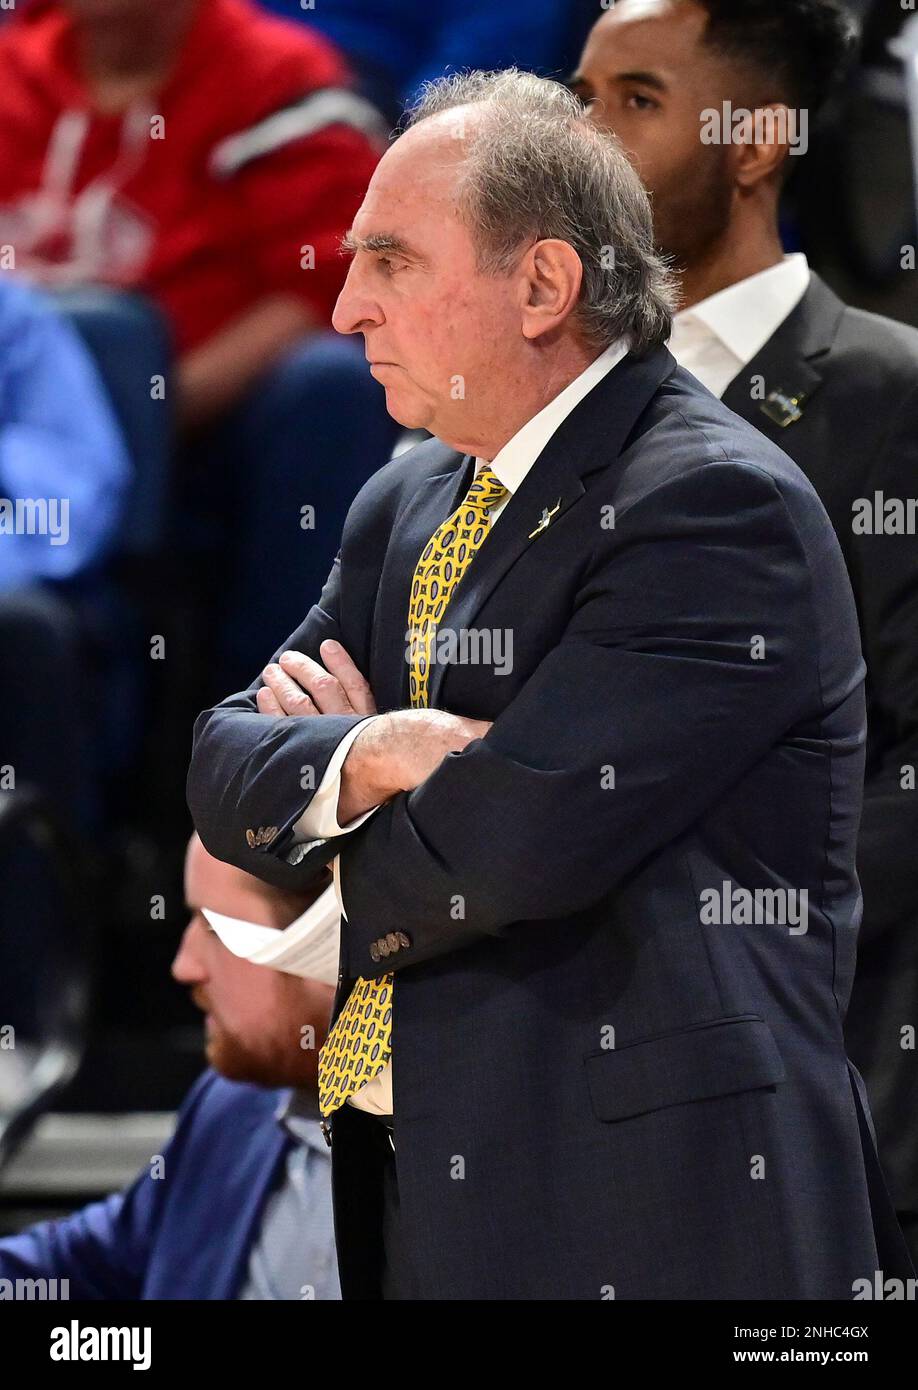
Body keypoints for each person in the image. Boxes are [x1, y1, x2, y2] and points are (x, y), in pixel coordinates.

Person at [188, 68, 910, 1300]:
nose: (348, 305)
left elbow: (514, 843)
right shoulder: (403, 496)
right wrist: (371, 754)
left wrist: (316, 872)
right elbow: (218, 764)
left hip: (655, 1208)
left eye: (393, 261)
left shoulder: (712, 505)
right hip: (421, 1179)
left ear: (542, 285)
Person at [574, 0, 918, 1263]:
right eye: (584, 94)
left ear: (756, 141)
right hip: (567, 1089)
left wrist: (685, 918)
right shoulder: (533, 409)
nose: (586, 138)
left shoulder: (889, 396)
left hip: (832, 1068)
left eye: (637, 100)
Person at [0, 0, 399, 687]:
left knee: (333, 383)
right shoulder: (10, 70)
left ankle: (270, 718)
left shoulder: (278, 77)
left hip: (203, 425)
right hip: (19, 416)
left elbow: (329, 287)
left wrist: (138, 414)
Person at [0, 835, 341, 1300]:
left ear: (333, 946)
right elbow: (85, 1264)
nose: (184, 966)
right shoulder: (236, 1106)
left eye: (216, 929)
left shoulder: (461, 1182)